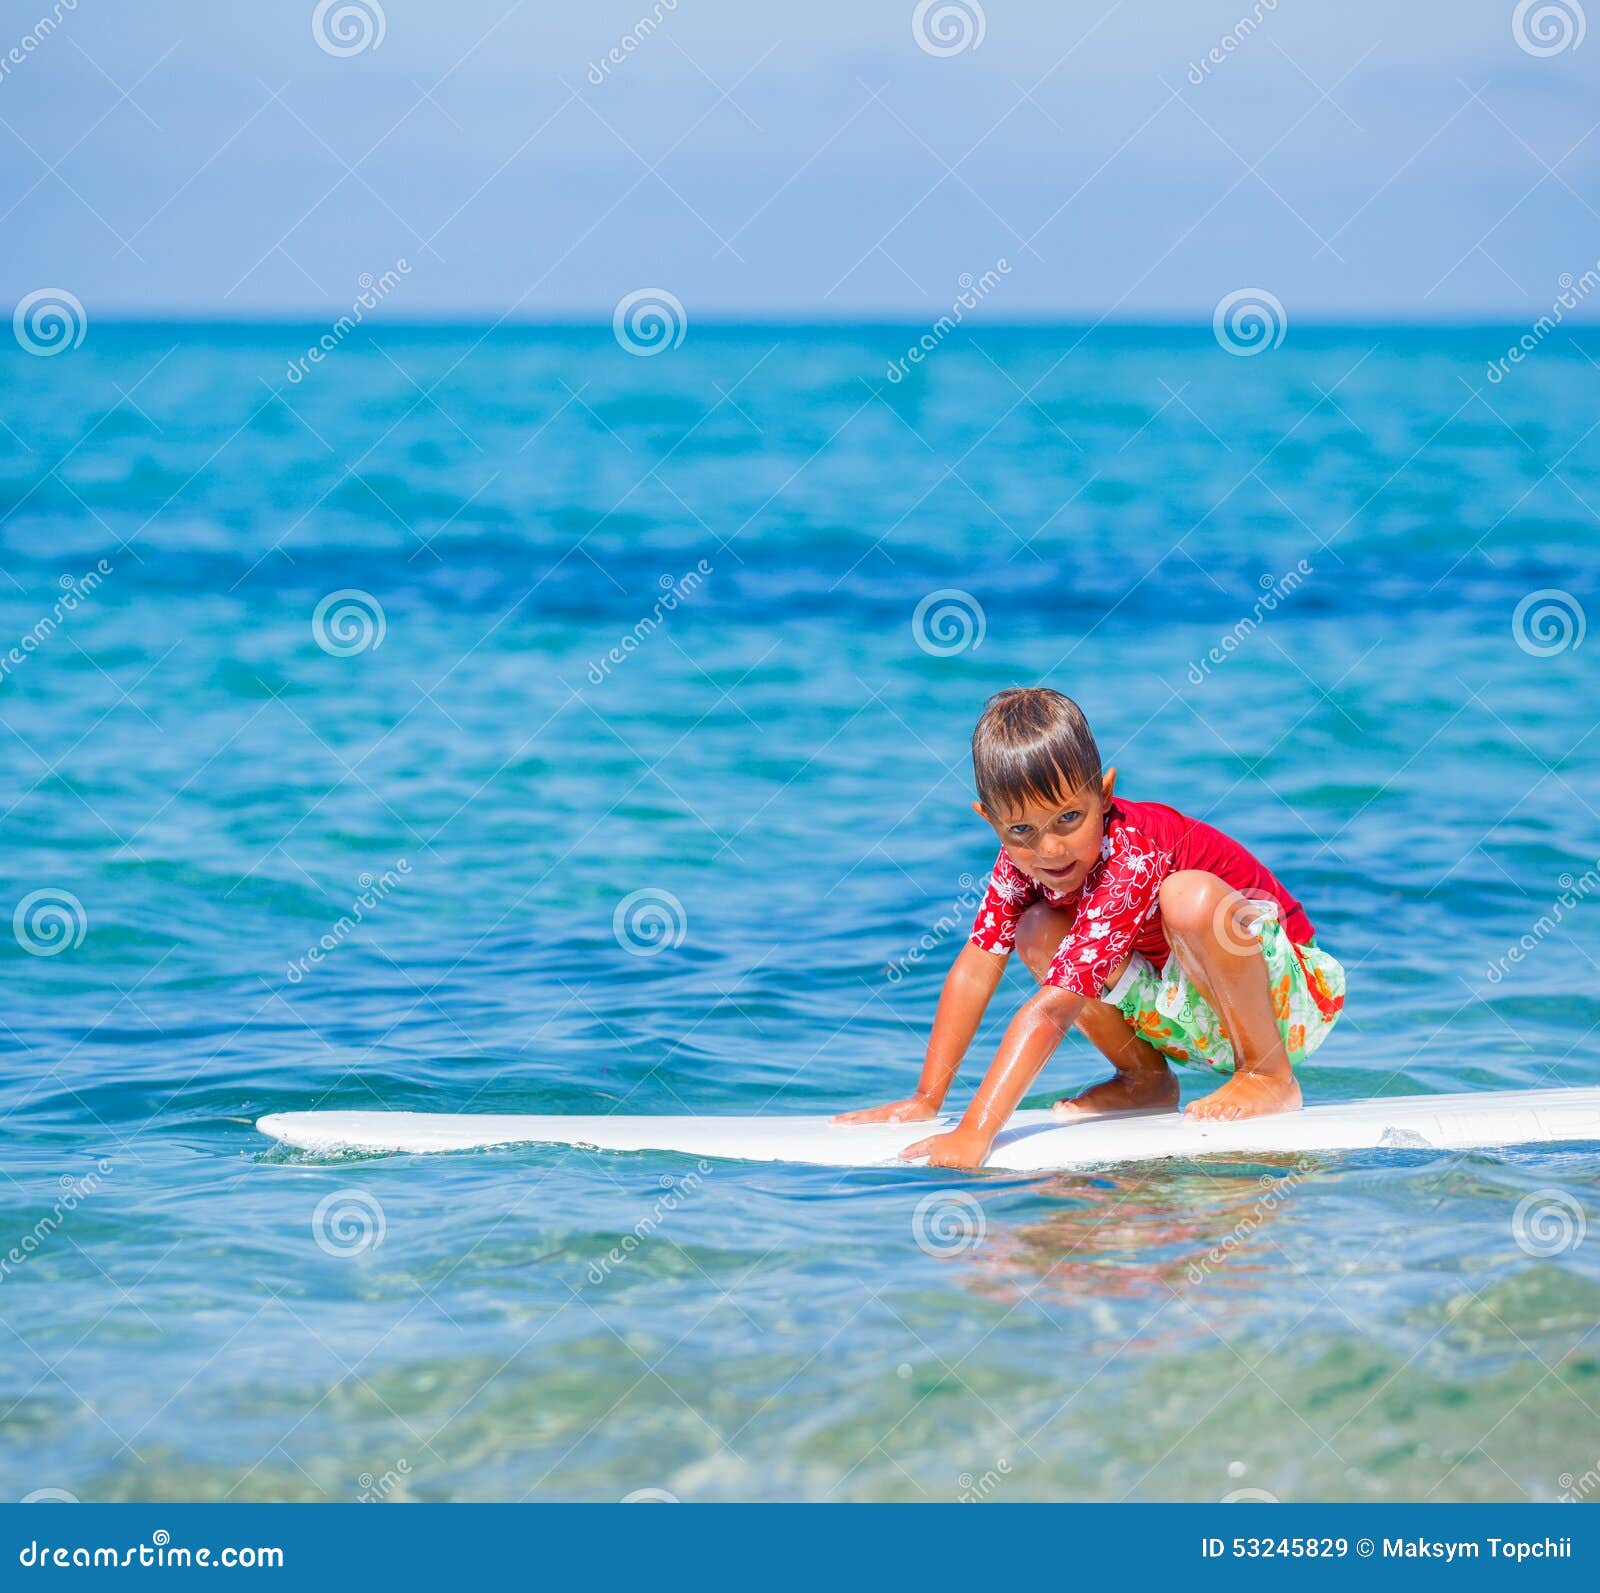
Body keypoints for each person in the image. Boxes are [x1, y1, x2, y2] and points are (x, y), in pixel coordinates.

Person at [834, 687, 1345, 1170]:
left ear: (1104, 794)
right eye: (1021, 830)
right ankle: (1144, 1079)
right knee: (1035, 929)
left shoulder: (1131, 853)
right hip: (1191, 1014)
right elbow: (975, 968)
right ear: (990, 820)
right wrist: (929, 1098)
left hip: (1285, 1002)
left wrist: (977, 1130)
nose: (1050, 849)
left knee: (1187, 897)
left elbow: (1055, 1010)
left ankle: (1268, 1074)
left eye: (1069, 818)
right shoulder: (1019, 866)